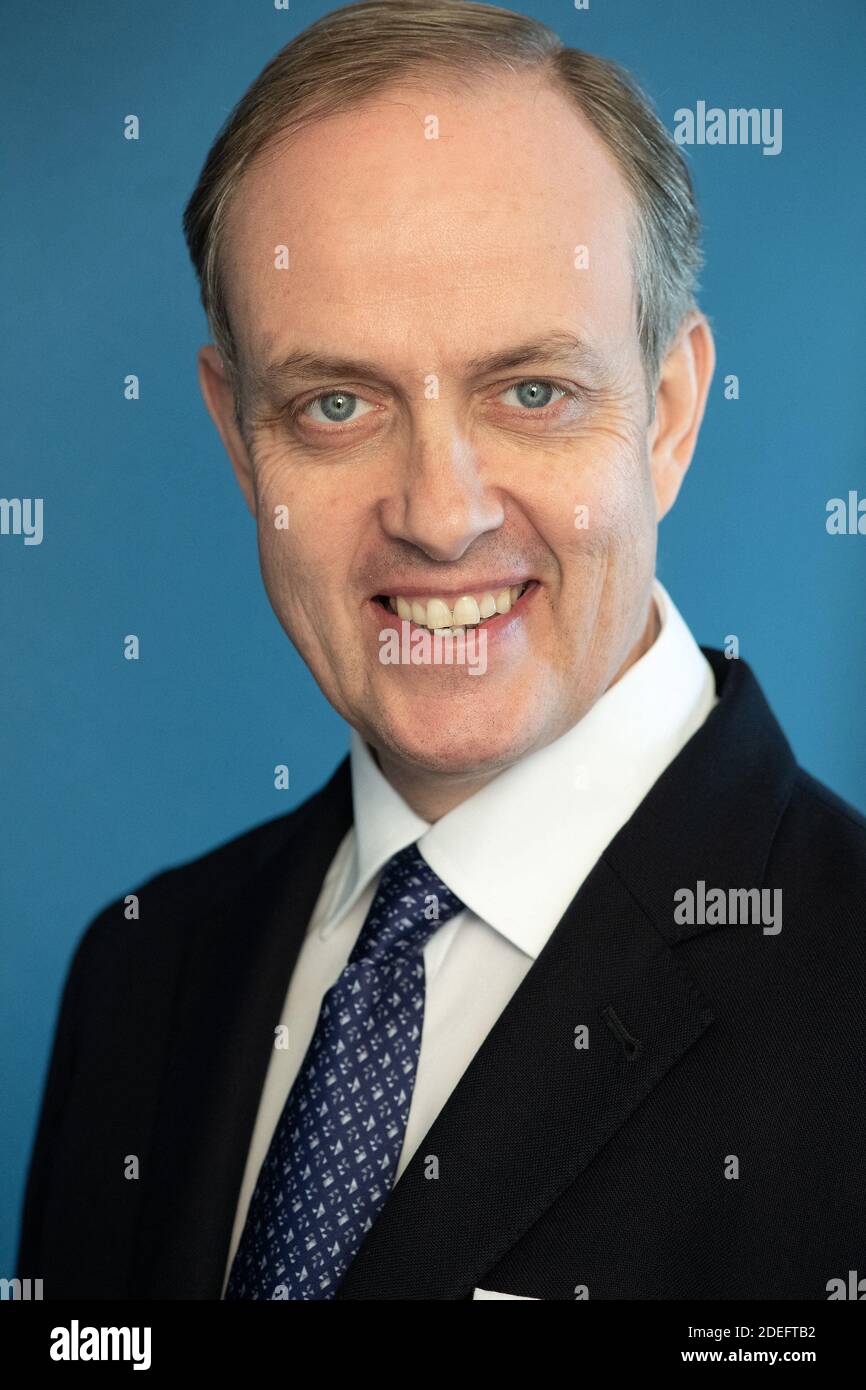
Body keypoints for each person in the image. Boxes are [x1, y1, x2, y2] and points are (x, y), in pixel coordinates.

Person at [18, 0, 866, 1300]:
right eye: (335, 404)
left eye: (530, 391)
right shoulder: (141, 970)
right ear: (241, 440)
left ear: (670, 417)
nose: (437, 512)